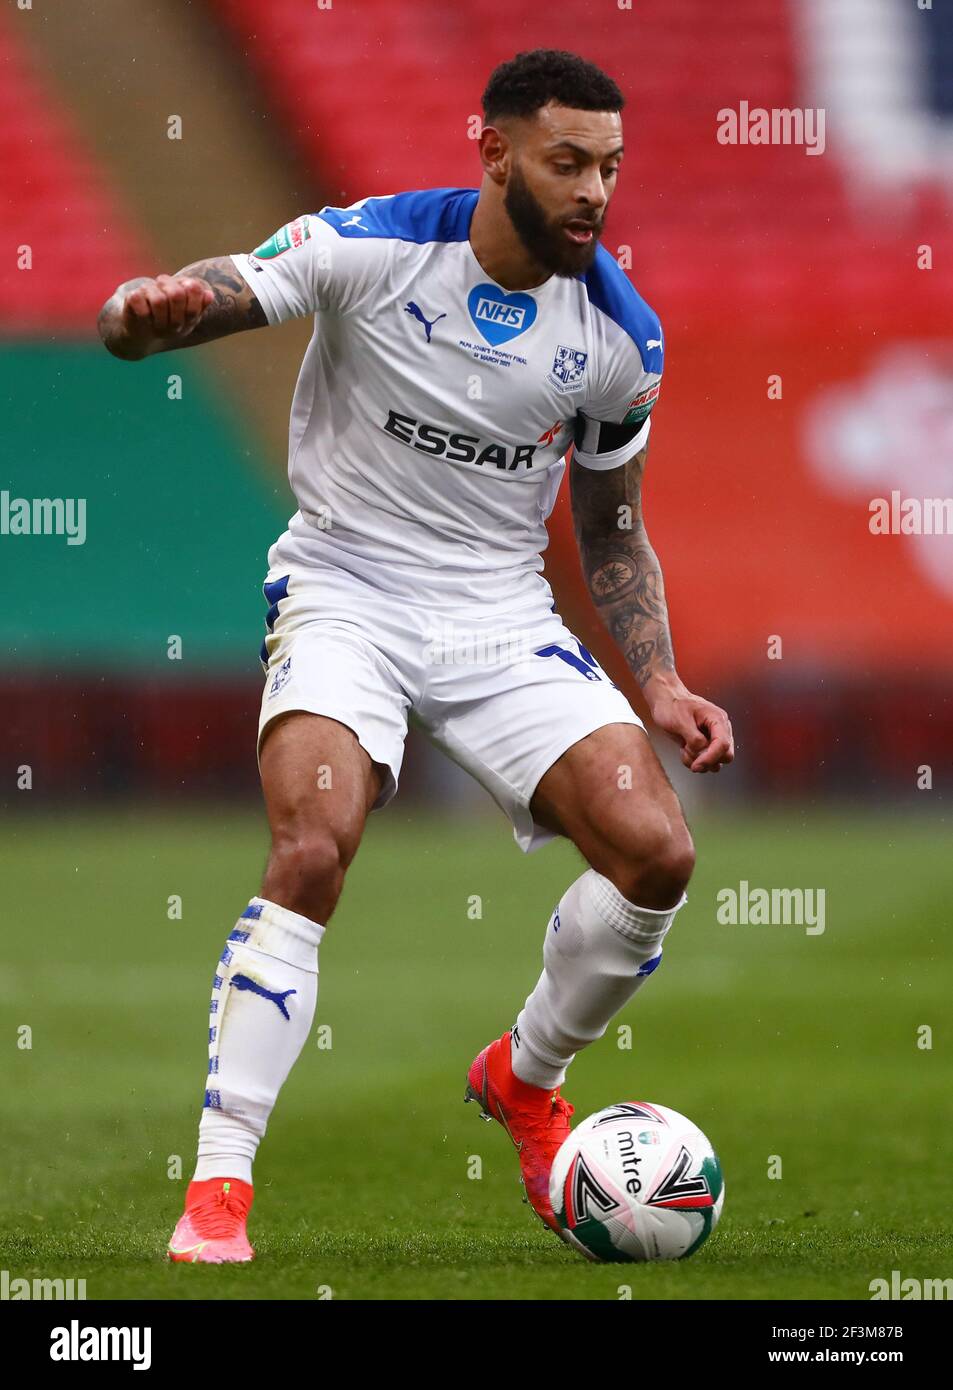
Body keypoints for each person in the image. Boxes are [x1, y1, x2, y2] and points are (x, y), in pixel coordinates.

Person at [97, 48, 733, 1264]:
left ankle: (524, 1077)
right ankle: (219, 1188)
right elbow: (217, 291)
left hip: (497, 612)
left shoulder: (616, 336)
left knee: (657, 854)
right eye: (565, 162)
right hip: (346, 587)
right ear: (493, 152)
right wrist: (144, 318)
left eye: (607, 165)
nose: (594, 191)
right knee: (313, 842)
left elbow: (606, 524)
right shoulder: (376, 247)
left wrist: (655, 680)